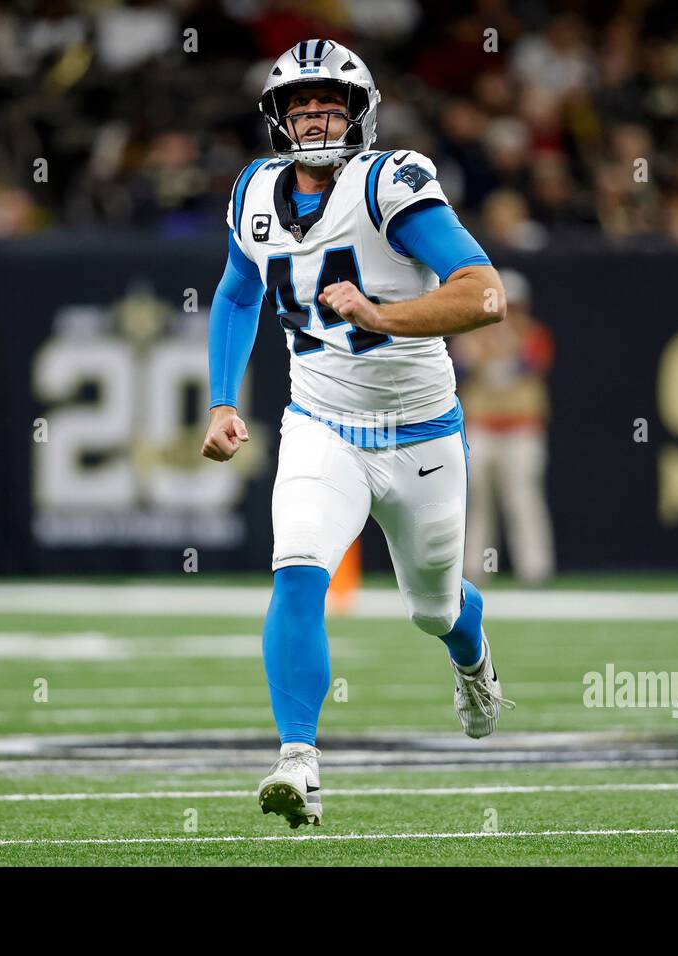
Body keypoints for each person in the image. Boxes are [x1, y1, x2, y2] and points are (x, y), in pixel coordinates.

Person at [201, 40, 515, 829]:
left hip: (420, 434)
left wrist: (386, 315)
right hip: (321, 426)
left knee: (433, 607)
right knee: (297, 570)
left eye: (329, 104)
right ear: (278, 118)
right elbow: (237, 294)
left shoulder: (390, 183)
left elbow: (485, 295)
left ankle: (472, 655)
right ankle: (297, 759)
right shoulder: (254, 191)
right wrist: (222, 399)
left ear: (360, 114)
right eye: (300, 105)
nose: (314, 118)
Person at [453, 269, 556, 586]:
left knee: (523, 499)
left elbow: (528, 365)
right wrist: (482, 348)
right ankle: (475, 569)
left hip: (521, 429)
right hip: (481, 428)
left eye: (516, 306)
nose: (509, 313)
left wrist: (501, 350)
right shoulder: (471, 333)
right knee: (477, 501)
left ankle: (534, 570)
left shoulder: (534, 334)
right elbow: (459, 368)